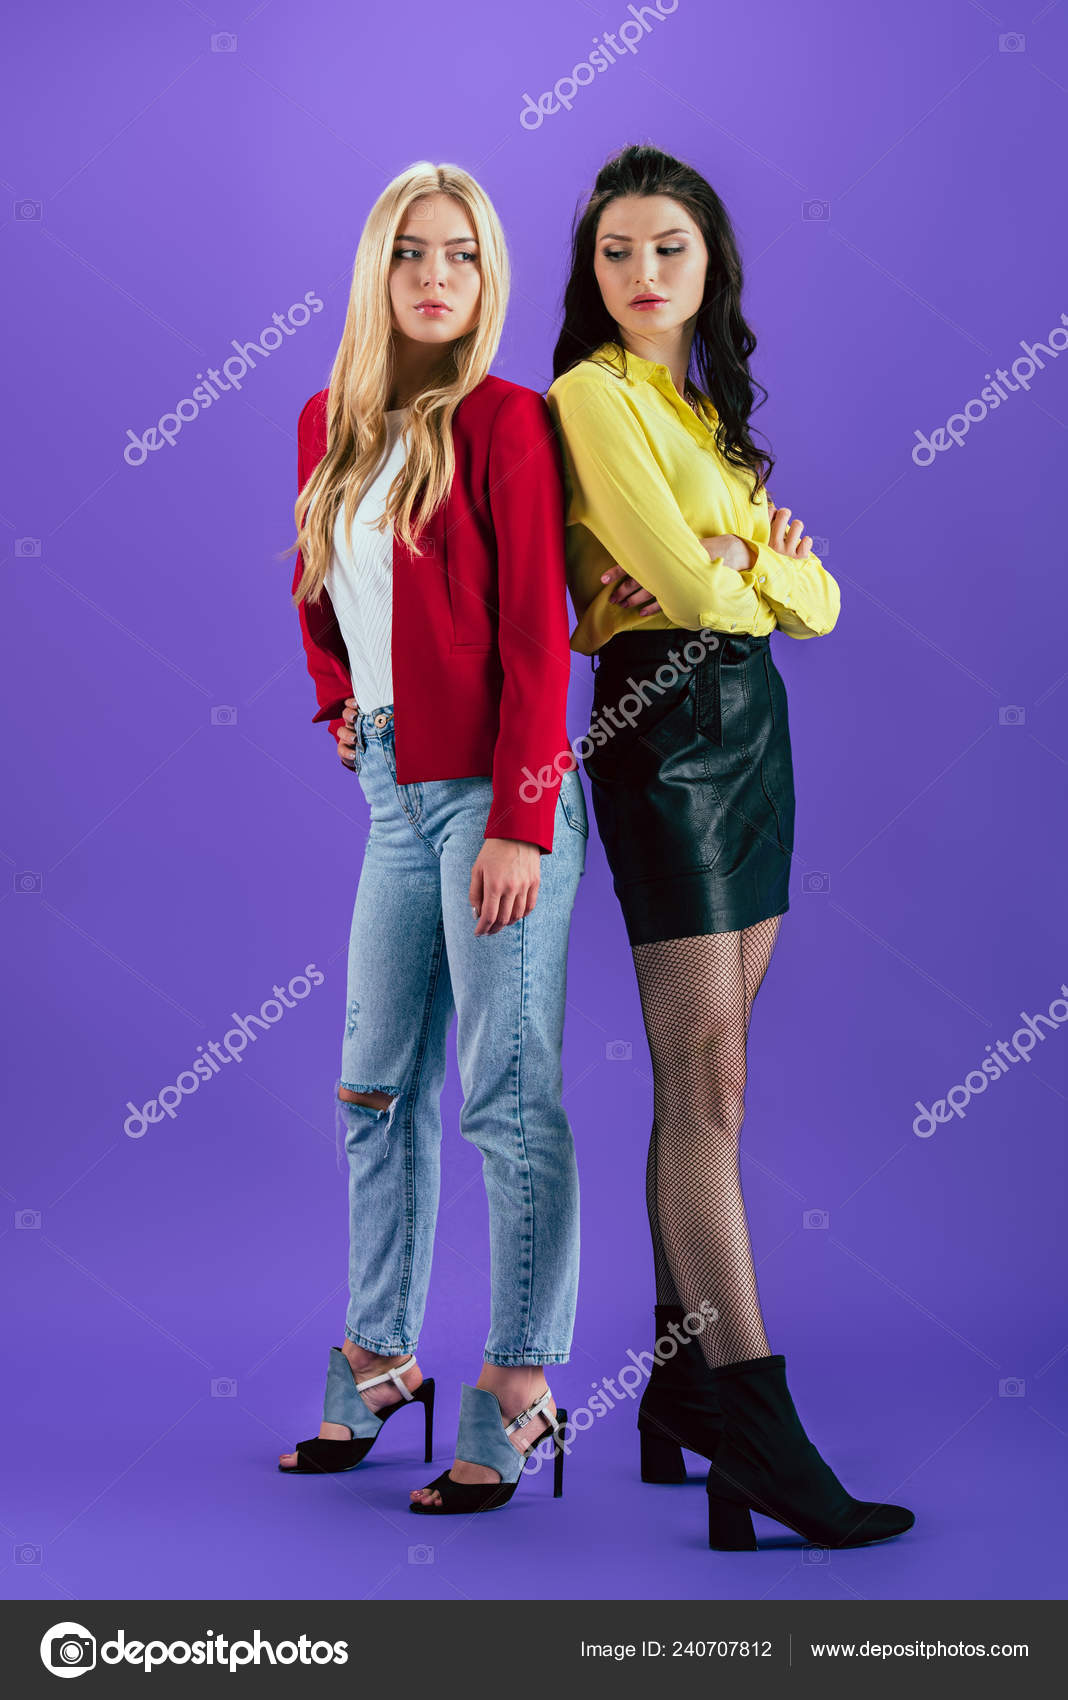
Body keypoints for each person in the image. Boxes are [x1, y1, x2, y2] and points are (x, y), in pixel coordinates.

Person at [546, 144, 914, 1550]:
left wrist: (743, 562)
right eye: (617, 251)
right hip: (664, 732)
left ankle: (680, 1387)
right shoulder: (590, 397)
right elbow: (696, 588)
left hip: (753, 727)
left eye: (670, 249)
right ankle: (755, 1421)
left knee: (717, 1075)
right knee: (705, 1081)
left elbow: (821, 602)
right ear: (592, 272)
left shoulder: (702, 416)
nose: (643, 273)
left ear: (710, 268)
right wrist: (738, 564)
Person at [279, 162, 587, 1516]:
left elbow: (538, 638)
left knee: (505, 1097)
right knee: (371, 1088)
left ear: (487, 275)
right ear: (379, 270)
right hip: (393, 800)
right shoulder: (327, 424)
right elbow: (322, 595)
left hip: (496, 797)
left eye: (460, 253)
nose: (436, 276)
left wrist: (522, 818)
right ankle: (381, 1352)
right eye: (411, 252)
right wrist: (341, 705)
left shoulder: (509, 421)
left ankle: (520, 1383)